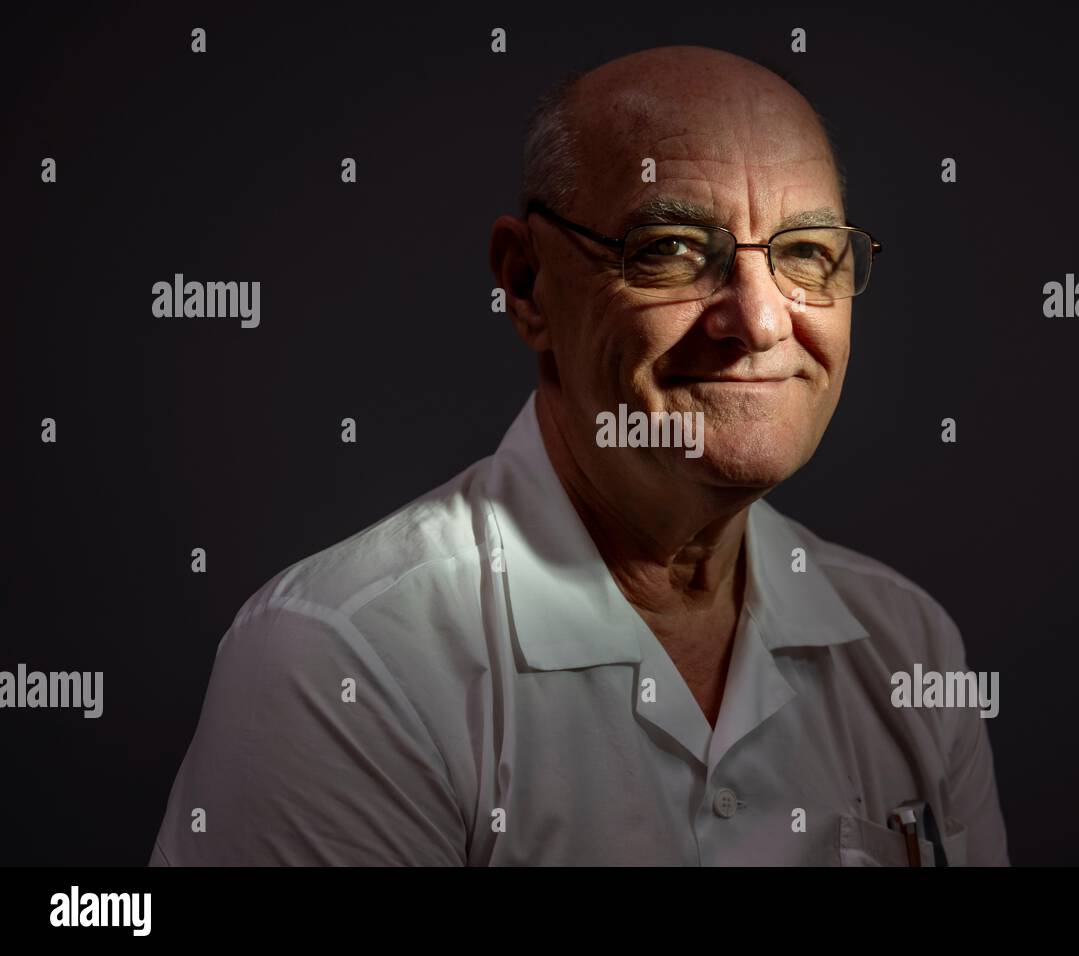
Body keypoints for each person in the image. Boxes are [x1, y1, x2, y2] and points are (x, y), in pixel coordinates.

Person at [148, 44, 1009, 866]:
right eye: (671, 250)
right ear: (526, 286)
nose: (761, 321)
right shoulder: (344, 664)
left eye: (807, 255)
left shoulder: (910, 648)